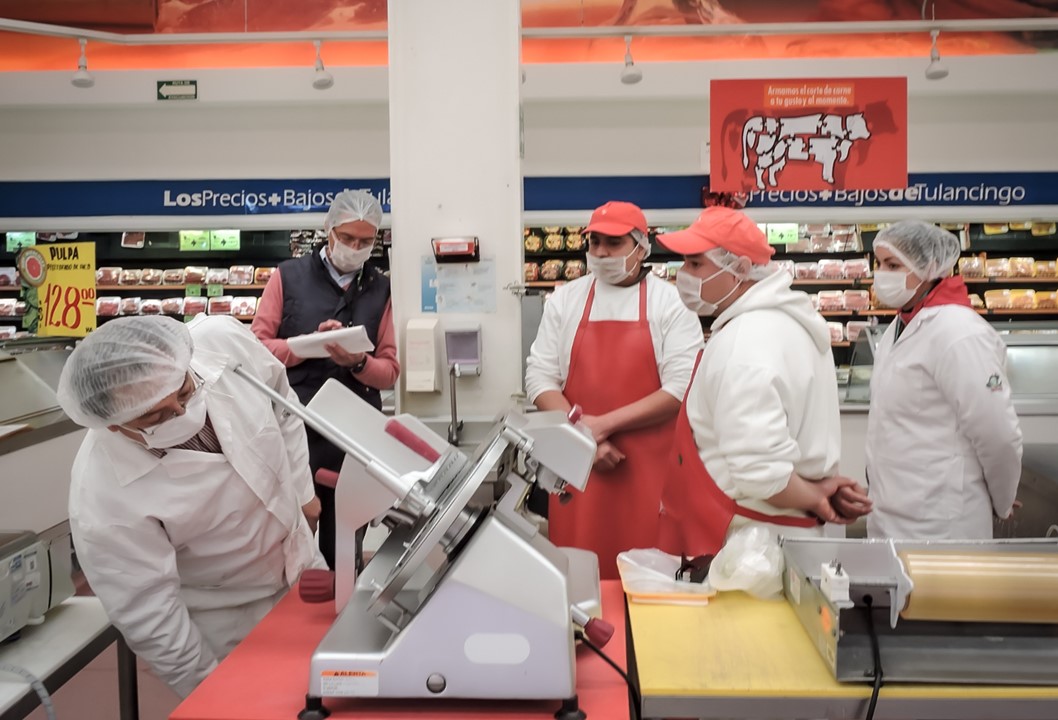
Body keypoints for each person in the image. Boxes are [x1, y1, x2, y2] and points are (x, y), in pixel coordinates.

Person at [56, 315, 326, 699]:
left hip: (304, 565)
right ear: (113, 425)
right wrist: (211, 692)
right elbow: (151, 614)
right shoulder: (101, 495)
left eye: (184, 391)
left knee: (339, 689)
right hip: (229, 614)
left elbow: (282, 403)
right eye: (156, 415)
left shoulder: (220, 342)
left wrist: (303, 492)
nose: (183, 414)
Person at [654, 207, 872, 561]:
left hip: (751, 548)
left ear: (739, 268)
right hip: (781, 534)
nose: (683, 275)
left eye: (695, 265)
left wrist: (815, 497)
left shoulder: (745, 343)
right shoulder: (790, 322)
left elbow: (761, 476)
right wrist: (816, 491)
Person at [524, 200, 704, 579]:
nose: (601, 253)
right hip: (580, 471)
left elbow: (681, 388)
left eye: (614, 243)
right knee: (580, 579)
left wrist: (600, 426)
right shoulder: (565, 300)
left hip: (651, 476)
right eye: (595, 244)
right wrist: (583, 438)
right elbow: (539, 377)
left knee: (650, 580)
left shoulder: (671, 303)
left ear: (642, 246)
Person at [253, 189, 399, 570]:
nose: (355, 247)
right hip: (296, 423)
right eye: (347, 238)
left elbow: (389, 370)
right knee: (293, 529)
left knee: (346, 536)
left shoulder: (381, 289)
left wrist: (358, 362)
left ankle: (342, 609)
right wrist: (304, 346)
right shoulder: (287, 277)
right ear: (328, 230)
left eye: (365, 241)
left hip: (355, 431)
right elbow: (255, 349)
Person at [865, 220, 1022, 540]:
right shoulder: (899, 327)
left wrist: (1001, 501)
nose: (881, 274)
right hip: (888, 514)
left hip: (941, 522)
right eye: (879, 263)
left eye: (893, 265)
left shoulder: (959, 333)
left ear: (929, 267)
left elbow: (997, 432)